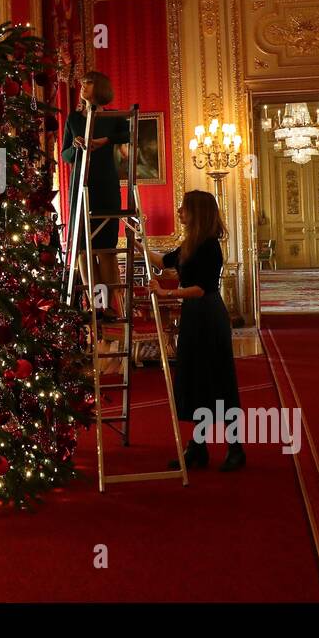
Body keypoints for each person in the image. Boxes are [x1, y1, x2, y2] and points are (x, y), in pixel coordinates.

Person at [136, 190, 244, 472]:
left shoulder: (209, 246)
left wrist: (165, 293)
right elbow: (164, 261)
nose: (179, 212)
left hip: (209, 316)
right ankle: (198, 446)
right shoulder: (191, 244)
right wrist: (138, 245)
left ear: (198, 213)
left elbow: (201, 289)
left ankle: (236, 448)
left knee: (217, 379)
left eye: (184, 208)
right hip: (194, 317)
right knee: (196, 379)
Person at [61, 71, 130, 322]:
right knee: (83, 250)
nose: (83, 87)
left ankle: (112, 306)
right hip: (80, 186)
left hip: (106, 187)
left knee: (106, 250)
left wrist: (105, 141)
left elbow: (128, 135)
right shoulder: (73, 118)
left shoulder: (113, 117)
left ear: (99, 87)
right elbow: (65, 155)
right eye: (81, 83)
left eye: (88, 83)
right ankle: (96, 305)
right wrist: (75, 146)